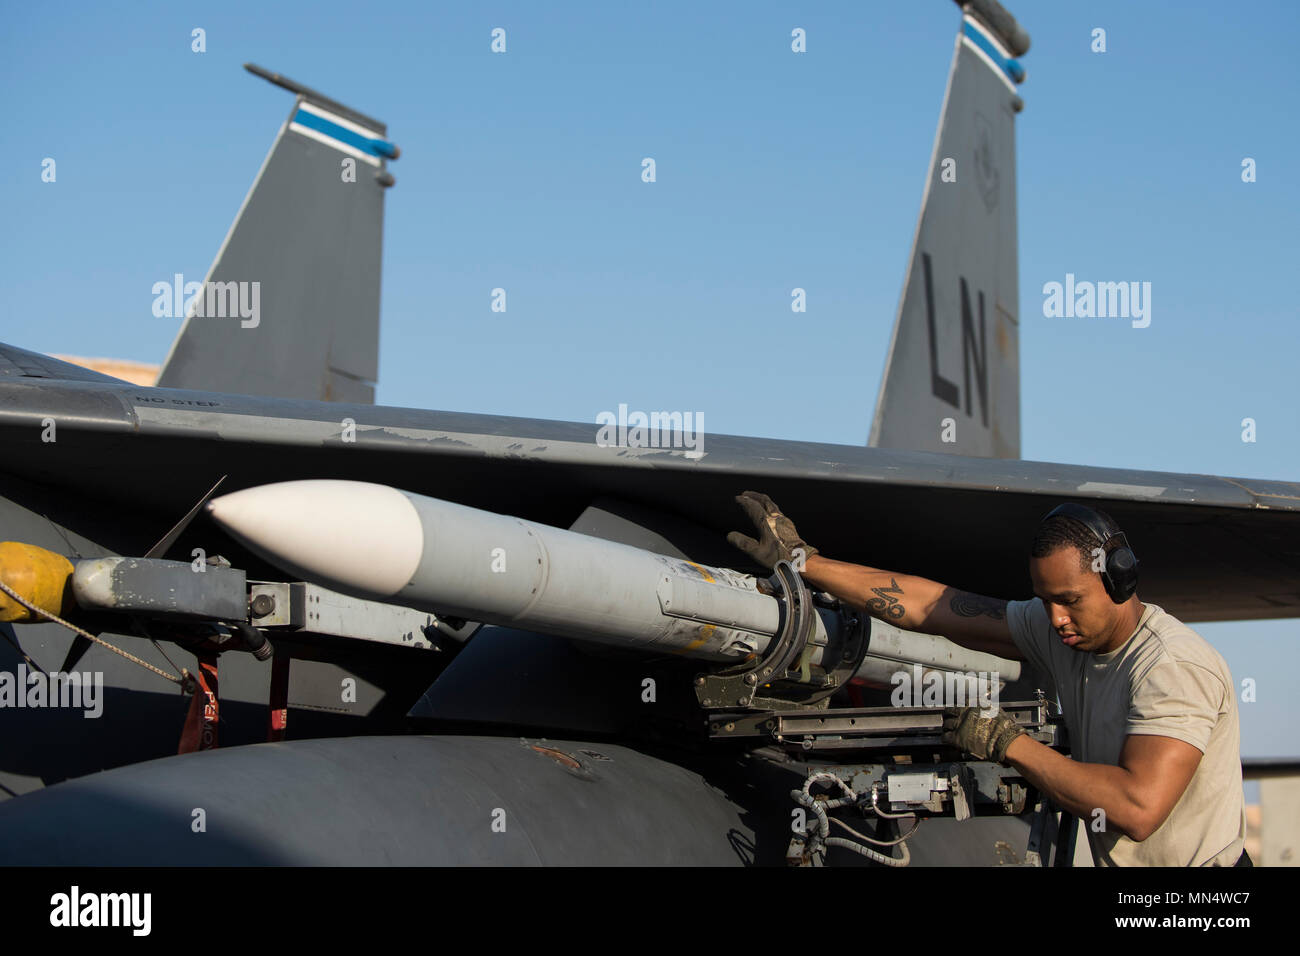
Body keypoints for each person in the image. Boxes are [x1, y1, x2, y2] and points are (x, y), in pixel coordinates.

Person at [727, 491, 1250, 866]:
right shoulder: (1063, 632)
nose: (1056, 619)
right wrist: (805, 561)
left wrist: (1010, 744)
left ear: (1120, 579)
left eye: (1070, 601)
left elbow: (1137, 808)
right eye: (1045, 602)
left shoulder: (1172, 666)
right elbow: (933, 604)